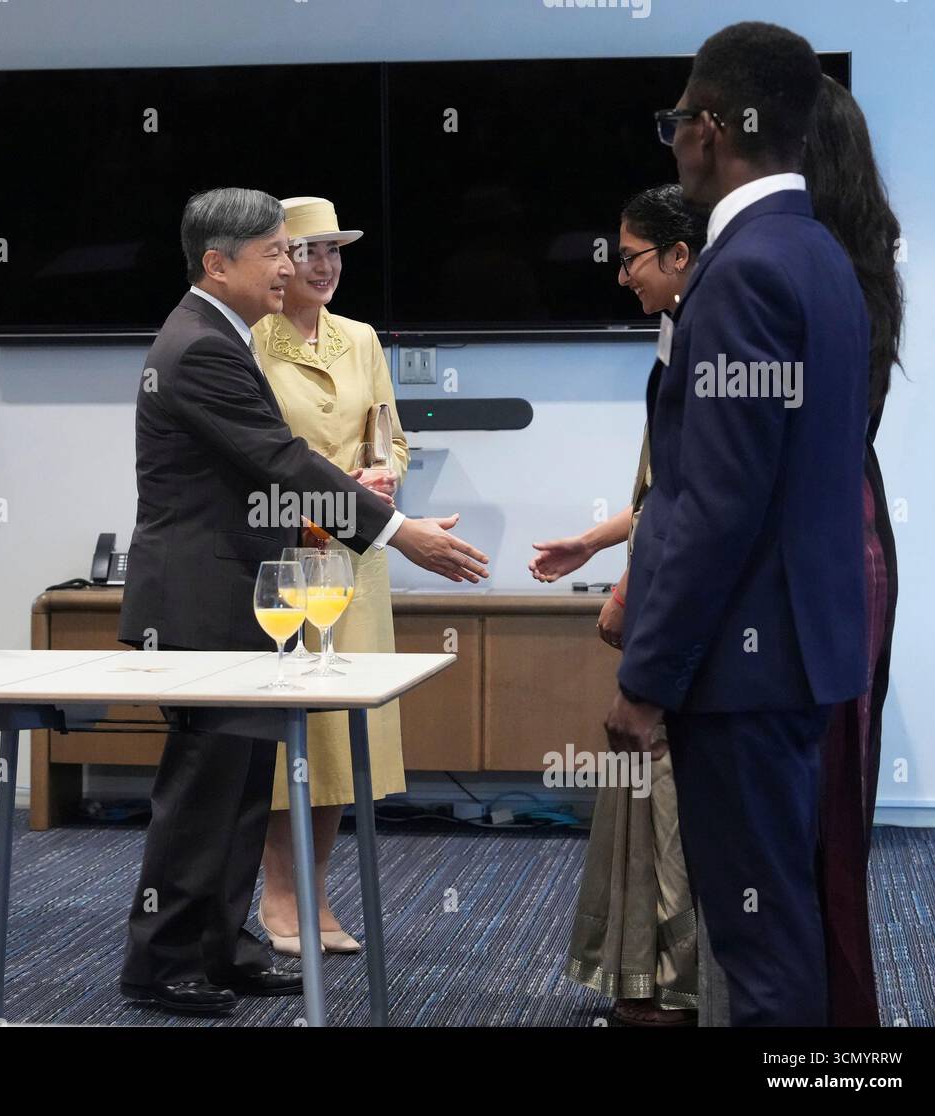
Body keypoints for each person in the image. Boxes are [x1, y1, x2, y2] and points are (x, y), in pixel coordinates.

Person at [117, 187, 489, 1016]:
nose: (291, 266)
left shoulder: (222, 333)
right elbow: (282, 459)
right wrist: (398, 531)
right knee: (204, 793)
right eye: (276, 253)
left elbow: (272, 469)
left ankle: (218, 942)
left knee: (245, 790)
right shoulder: (203, 344)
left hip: (243, 596)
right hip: (204, 603)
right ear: (219, 263)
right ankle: (161, 961)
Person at [605, 22, 870, 1027]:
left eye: (677, 121)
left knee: (755, 945)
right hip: (800, 654)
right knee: (780, 922)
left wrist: (645, 680)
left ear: (710, 131)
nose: (673, 141)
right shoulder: (821, 257)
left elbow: (715, 503)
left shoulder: (743, 270)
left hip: (743, 668)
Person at [531, 185, 707, 1025]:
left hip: (682, 608)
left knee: (661, 778)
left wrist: (634, 584)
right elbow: (662, 489)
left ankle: (671, 987)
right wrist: (600, 544)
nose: (621, 274)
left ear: (679, 255)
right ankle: (643, 975)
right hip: (659, 583)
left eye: (631, 257)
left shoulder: (714, 334)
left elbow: (699, 498)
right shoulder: (679, 331)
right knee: (642, 784)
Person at [250, 197, 408, 955]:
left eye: (335, 252)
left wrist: (382, 478)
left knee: (342, 737)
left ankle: (317, 895)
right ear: (280, 260)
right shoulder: (251, 340)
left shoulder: (362, 338)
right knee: (293, 734)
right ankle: (278, 897)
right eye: (309, 252)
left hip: (355, 559)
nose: (325, 266)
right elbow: (261, 457)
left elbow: (391, 437)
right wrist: (337, 497)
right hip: (286, 552)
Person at [804, 75, 903, 1028]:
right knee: (831, 823)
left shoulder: (800, 263)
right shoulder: (862, 255)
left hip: (819, 552)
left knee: (812, 827)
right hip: (855, 535)